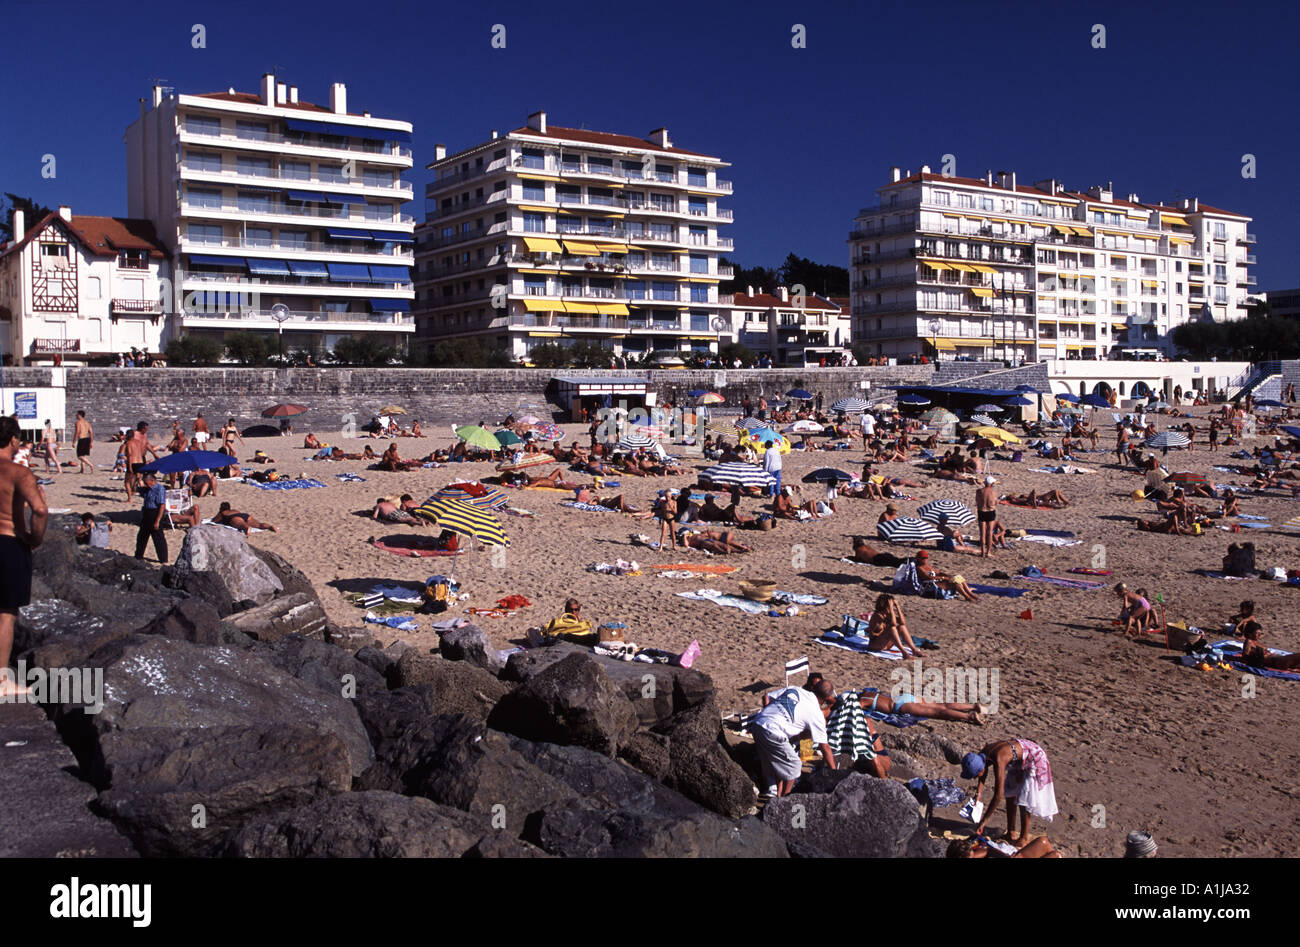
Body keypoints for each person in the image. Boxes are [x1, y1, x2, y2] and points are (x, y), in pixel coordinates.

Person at [0, 415, 48, 697]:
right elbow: (40, 510)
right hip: (8, 542)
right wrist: (34, 539)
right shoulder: (20, 473)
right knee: (5, 614)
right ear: (14, 440)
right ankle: (1, 680)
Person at [961, 739, 1059, 847]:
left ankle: (1023, 838)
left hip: (1033, 757)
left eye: (975, 775)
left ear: (981, 769)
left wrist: (984, 821)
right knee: (1010, 792)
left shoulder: (999, 759)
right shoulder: (981, 756)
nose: (975, 778)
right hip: (1017, 760)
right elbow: (982, 774)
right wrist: (977, 795)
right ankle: (1011, 832)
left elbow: (998, 796)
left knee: (1024, 798)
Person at [751, 678, 838, 799]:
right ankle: (784, 800)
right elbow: (825, 747)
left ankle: (777, 793)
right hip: (773, 731)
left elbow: (767, 697)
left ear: (814, 687)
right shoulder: (816, 714)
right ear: (828, 697)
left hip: (757, 723)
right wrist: (835, 773)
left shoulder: (795, 689)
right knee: (795, 766)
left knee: (778, 764)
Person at [134, 470, 169, 563]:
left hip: (155, 513)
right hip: (146, 513)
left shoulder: (159, 489)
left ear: (152, 481)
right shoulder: (147, 489)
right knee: (142, 536)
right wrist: (138, 479)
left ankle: (163, 559)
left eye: (148, 483)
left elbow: (162, 505)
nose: (147, 485)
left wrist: (157, 520)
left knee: (158, 537)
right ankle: (138, 555)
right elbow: (137, 490)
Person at [123, 421, 158, 501]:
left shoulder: (143, 436)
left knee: (135, 477)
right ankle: (134, 490)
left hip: (138, 459)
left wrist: (154, 454)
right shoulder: (135, 435)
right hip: (138, 459)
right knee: (136, 477)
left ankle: (131, 495)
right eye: (145, 429)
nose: (147, 430)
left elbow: (146, 445)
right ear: (141, 428)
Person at [213, 501, 278, 533]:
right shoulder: (235, 510)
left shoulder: (222, 513)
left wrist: (219, 512)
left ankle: (247, 527)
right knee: (259, 525)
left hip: (234, 518)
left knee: (243, 524)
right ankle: (269, 526)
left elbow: (214, 521)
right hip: (244, 515)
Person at [975, 475, 998, 558]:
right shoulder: (994, 492)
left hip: (981, 511)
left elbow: (977, 501)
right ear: (991, 484)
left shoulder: (979, 491)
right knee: (989, 533)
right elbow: (995, 503)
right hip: (990, 511)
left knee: (982, 533)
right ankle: (988, 552)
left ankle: (982, 552)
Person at [73, 410, 94, 474]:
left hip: (82, 439)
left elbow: (77, 432)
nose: (76, 415)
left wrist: (74, 442)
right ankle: (82, 470)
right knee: (83, 456)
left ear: (80, 415)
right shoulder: (87, 423)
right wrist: (91, 442)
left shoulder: (78, 422)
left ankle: (91, 465)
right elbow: (91, 432)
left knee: (80, 456)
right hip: (87, 439)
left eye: (77, 414)